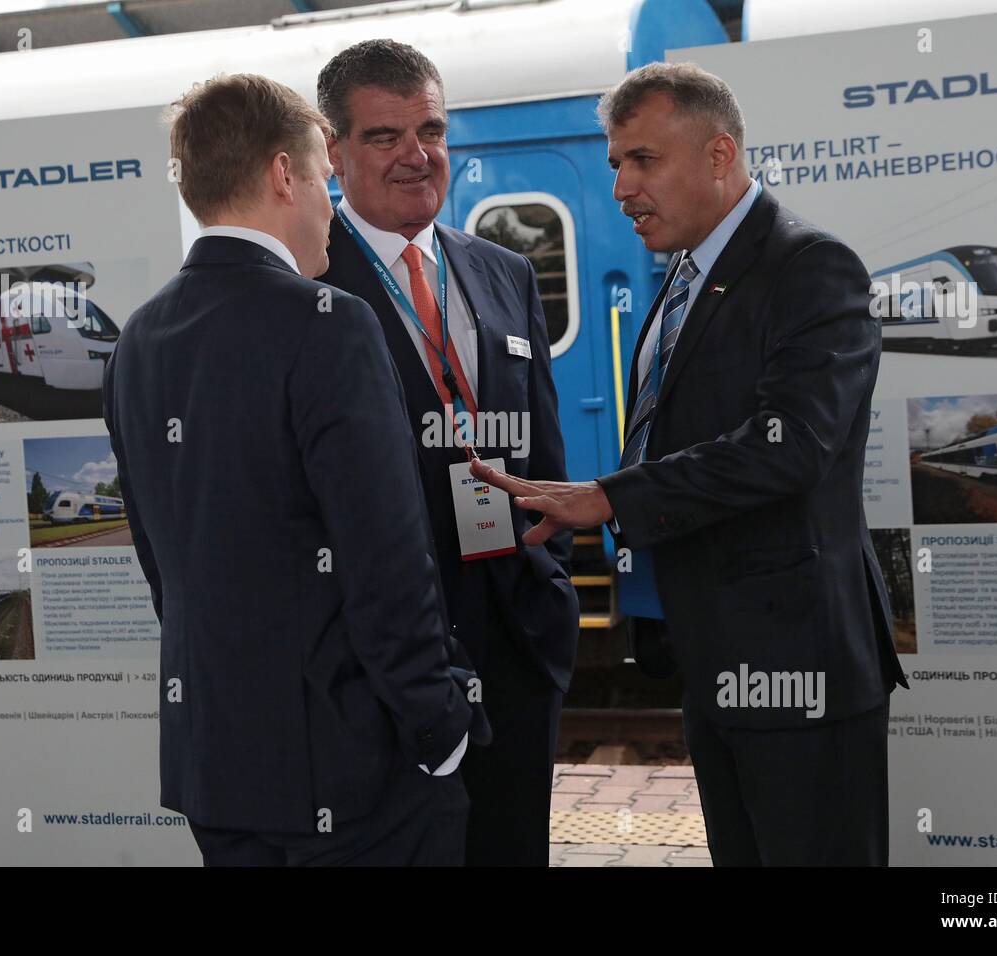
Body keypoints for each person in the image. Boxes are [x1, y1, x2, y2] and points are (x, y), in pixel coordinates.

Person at [471, 62, 909, 866]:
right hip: (720, 662)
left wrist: (610, 498)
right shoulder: (687, 275)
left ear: (719, 154)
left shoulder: (810, 267)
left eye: (643, 160)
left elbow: (793, 447)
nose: (621, 188)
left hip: (798, 666)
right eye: (613, 164)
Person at [103, 74, 477, 866]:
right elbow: (385, 557)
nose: (328, 211)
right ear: (282, 175)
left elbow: (161, 563)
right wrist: (439, 723)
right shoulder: (330, 325)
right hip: (348, 767)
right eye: (321, 179)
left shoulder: (139, 338)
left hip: (217, 762)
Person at [315, 40, 579, 867]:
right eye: (384, 135)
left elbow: (543, 442)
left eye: (430, 128)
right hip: (383, 660)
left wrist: (551, 582)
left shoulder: (501, 269)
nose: (415, 155)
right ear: (332, 151)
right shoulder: (306, 282)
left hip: (510, 635)